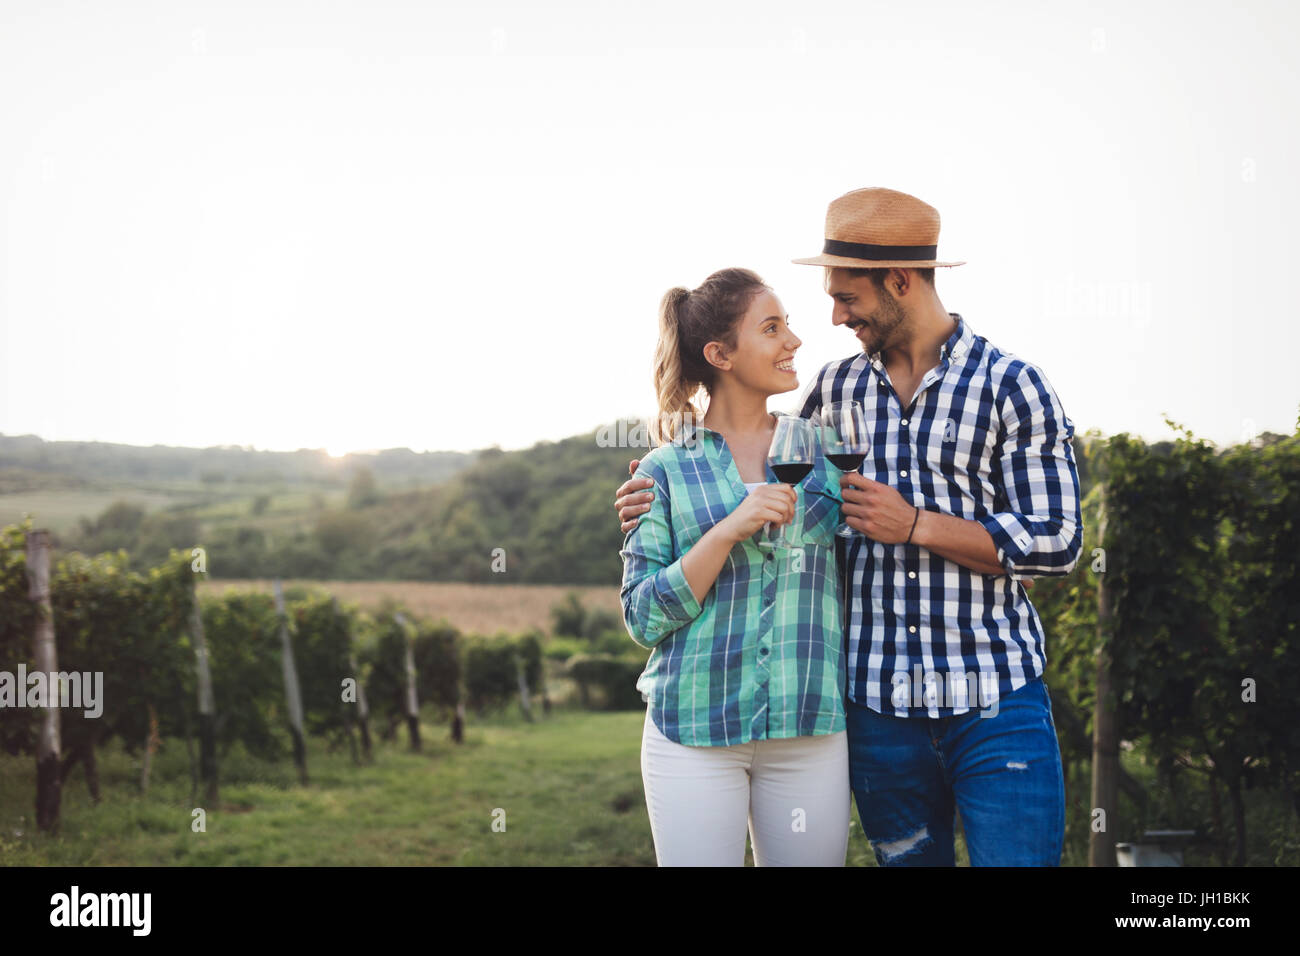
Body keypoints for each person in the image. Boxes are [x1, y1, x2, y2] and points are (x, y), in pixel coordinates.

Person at [617, 188, 1082, 866]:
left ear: (899, 281)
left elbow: (1058, 542)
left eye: (847, 298)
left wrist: (918, 524)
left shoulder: (1013, 385)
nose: (832, 318)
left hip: (994, 698)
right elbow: (737, 435)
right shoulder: (835, 394)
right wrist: (652, 488)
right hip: (878, 709)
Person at [621, 267, 850, 867]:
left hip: (807, 724)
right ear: (719, 354)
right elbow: (642, 618)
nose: (793, 342)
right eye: (771, 329)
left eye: (789, 327)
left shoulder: (824, 452)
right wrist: (726, 530)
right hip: (694, 729)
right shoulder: (663, 470)